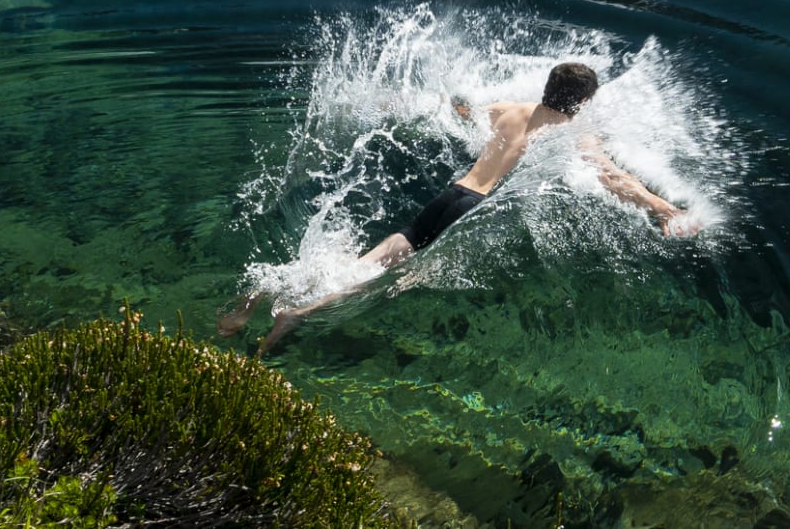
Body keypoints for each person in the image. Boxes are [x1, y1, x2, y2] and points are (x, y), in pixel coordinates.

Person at [219, 61, 698, 354]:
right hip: (475, 205)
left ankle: (265, 289)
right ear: (582, 101)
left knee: (371, 260)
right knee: (389, 280)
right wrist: (662, 209)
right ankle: (299, 312)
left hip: (449, 192)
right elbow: (612, 177)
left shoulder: (510, 108)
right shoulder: (570, 129)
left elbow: (460, 110)